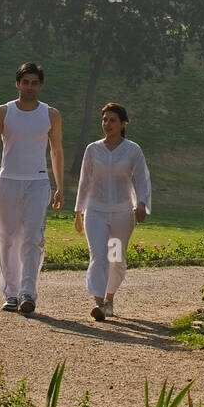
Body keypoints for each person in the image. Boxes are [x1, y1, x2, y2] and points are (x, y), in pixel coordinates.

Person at [0, 62, 64, 316]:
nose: (29, 87)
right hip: (8, 182)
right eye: (25, 82)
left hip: (38, 183)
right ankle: (11, 294)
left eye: (34, 83)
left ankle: (28, 292)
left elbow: (57, 151)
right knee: (7, 237)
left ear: (40, 85)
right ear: (17, 84)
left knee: (32, 238)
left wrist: (60, 187)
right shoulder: (3, 112)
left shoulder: (51, 114)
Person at [74, 102, 150, 322]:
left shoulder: (132, 150)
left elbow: (142, 178)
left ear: (123, 123)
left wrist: (142, 203)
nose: (107, 124)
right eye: (104, 119)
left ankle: (109, 298)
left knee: (116, 258)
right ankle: (99, 303)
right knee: (98, 255)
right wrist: (79, 210)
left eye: (112, 120)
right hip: (95, 210)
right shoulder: (92, 149)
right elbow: (84, 181)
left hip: (122, 212)